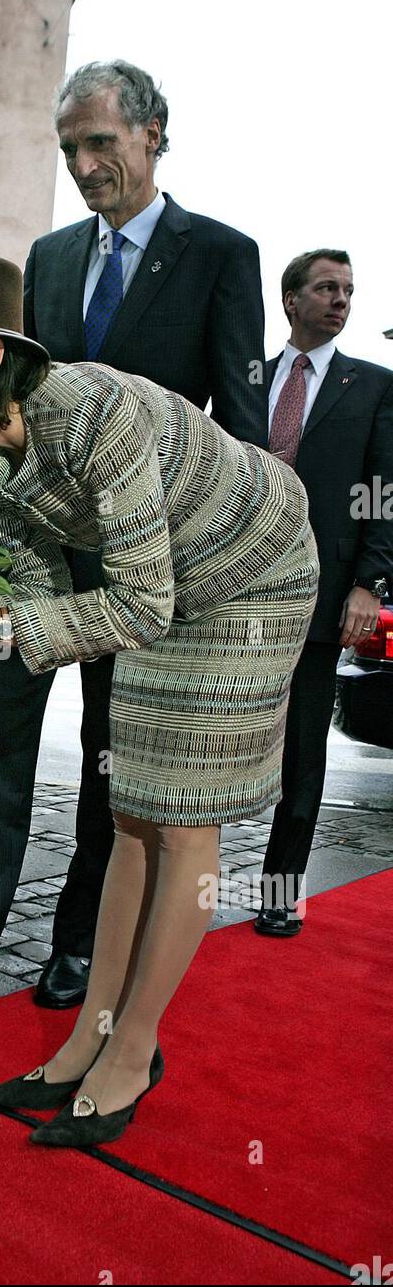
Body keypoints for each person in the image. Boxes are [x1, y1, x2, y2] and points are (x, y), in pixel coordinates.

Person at [0, 250, 318, 1146]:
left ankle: (133, 1051)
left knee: (181, 820)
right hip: (165, 586)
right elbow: (36, 587)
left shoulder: (94, 411)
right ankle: (85, 1039)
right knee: (131, 811)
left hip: (252, 576)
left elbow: (134, 605)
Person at [0, 59, 268, 1004]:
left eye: (100, 143)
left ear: (152, 133)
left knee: (111, 758)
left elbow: (241, 436)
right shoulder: (47, 258)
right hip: (29, 552)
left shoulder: (220, 254)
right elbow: (7, 403)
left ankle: (81, 942)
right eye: (69, 150)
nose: (85, 166)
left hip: (140, 569)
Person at [256, 250, 393, 936]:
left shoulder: (372, 385)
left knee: (302, 750)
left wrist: (368, 583)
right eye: (325, 287)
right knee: (214, 736)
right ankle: (176, 882)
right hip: (239, 590)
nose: (339, 299)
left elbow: (383, 492)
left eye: (347, 290)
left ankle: (279, 891)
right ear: (290, 300)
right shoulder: (246, 380)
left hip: (322, 589)